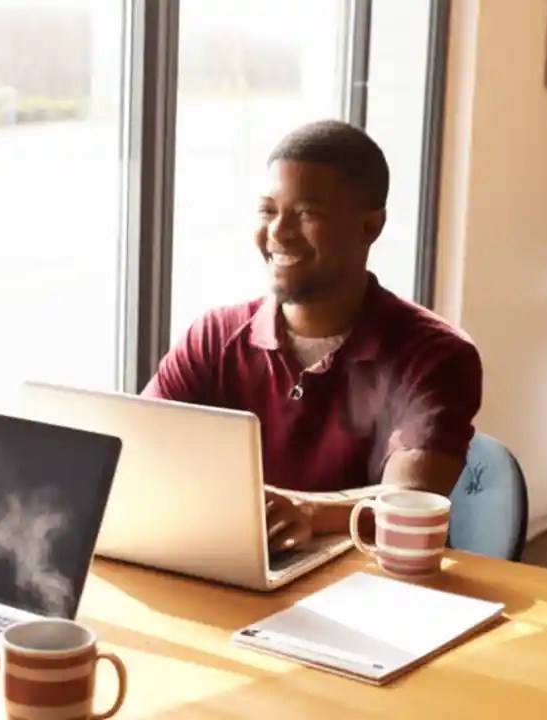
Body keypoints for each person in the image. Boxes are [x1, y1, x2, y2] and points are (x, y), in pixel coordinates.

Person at [144, 119, 483, 554]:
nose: (279, 232)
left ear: (369, 228)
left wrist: (308, 512)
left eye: (306, 214)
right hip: (238, 570)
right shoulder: (212, 337)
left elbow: (407, 502)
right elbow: (142, 459)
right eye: (268, 211)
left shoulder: (436, 355)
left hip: (370, 589)